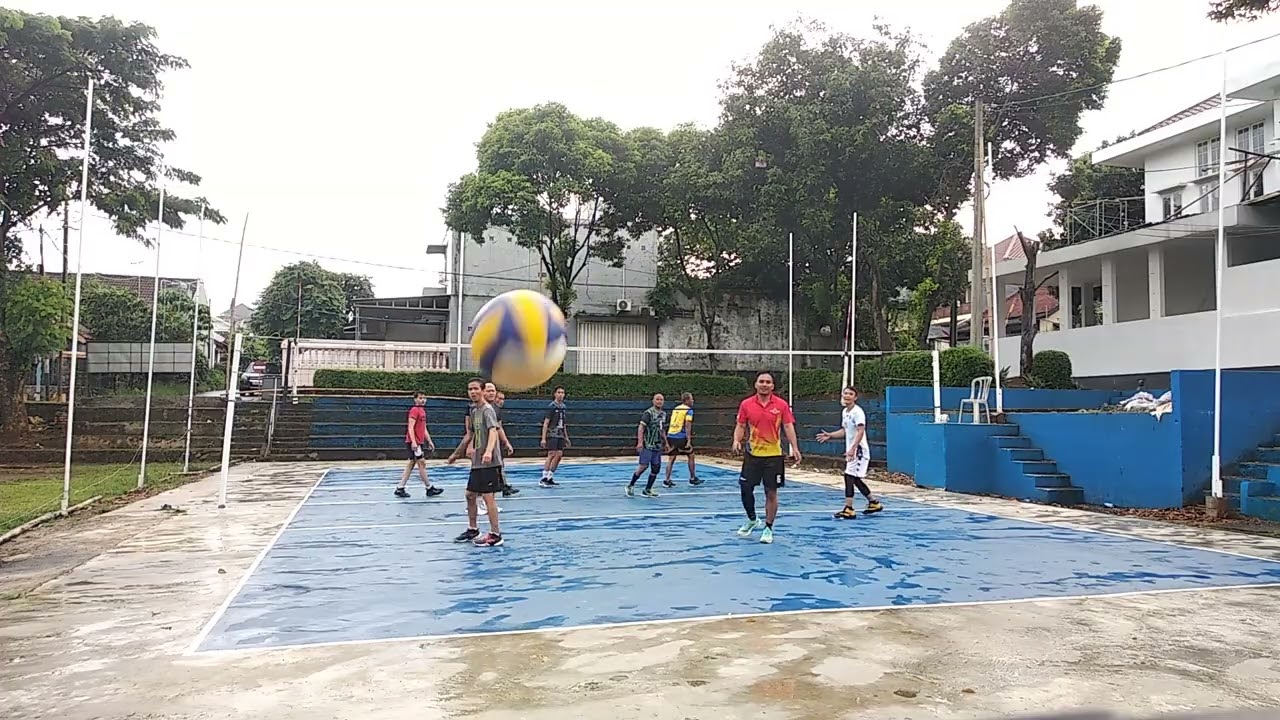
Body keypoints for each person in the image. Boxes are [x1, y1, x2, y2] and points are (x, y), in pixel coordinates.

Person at [731, 372, 801, 544]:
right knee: (745, 489)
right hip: (753, 455)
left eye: (768, 382)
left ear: (772, 386)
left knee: (771, 492)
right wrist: (736, 440)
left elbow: (788, 426)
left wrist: (795, 448)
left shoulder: (781, 405)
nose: (764, 384)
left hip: (774, 456)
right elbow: (740, 425)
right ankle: (753, 519)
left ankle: (768, 528)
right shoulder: (746, 404)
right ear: (755, 384)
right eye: (761, 381)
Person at [447, 377, 504, 546]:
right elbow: (469, 435)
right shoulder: (474, 411)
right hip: (477, 462)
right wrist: (456, 454)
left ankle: (495, 534)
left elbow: (493, 431)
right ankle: (473, 529)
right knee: (470, 495)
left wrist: (488, 451)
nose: (472, 392)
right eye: (470, 389)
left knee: (488, 498)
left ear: (483, 390)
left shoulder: (487, 410)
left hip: (490, 462)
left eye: (475, 389)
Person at [817, 386, 884, 519]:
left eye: (850, 394)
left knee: (849, 476)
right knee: (855, 479)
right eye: (845, 393)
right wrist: (830, 435)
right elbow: (844, 430)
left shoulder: (857, 412)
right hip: (853, 449)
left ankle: (849, 508)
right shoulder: (845, 412)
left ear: (855, 397)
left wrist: (853, 448)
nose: (847, 396)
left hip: (858, 450)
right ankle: (874, 503)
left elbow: (861, 430)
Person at [394, 392, 443, 498]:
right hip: (414, 442)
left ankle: (400, 488)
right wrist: (414, 442)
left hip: (419, 442)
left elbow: (424, 428)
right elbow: (410, 427)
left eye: (424, 398)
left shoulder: (422, 411)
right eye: (420, 398)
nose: (423, 400)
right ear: (415, 399)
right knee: (421, 463)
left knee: (411, 464)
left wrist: (429, 441)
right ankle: (429, 488)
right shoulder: (414, 410)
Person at [627, 393, 669, 497]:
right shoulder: (648, 413)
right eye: (657, 399)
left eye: (661, 400)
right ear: (653, 401)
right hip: (648, 444)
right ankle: (631, 485)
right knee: (643, 466)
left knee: (656, 468)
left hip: (657, 446)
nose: (659, 401)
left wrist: (666, 442)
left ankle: (648, 489)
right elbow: (641, 428)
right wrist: (640, 442)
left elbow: (662, 429)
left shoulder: (663, 414)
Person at [664, 392, 701, 487]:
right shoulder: (688, 410)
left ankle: (667, 479)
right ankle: (692, 478)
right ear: (687, 400)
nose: (693, 400)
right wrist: (688, 439)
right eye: (691, 399)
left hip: (671, 434)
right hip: (680, 436)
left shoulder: (676, 408)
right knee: (691, 455)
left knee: (671, 458)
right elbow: (687, 424)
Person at [539, 386, 570, 487]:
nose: (561, 394)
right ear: (555, 394)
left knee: (559, 455)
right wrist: (543, 438)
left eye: (562, 392)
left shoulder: (563, 407)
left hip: (560, 434)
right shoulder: (552, 406)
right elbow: (546, 423)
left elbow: (564, 424)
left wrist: (566, 437)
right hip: (552, 434)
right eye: (559, 392)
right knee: (551, 454)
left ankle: (550, 476)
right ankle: (543, 477)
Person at [493, 389, 519, 497]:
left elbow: (500, 427)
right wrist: (506, 442)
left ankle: (503, 485)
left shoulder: (497, 410)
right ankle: (501, 486)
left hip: (496, 442)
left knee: (499, 465)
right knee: (497, 465)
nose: (501, 401)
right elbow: (498, 428)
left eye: (503, 399)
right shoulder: (491, 409)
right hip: (491, 442)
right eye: (499, 398)